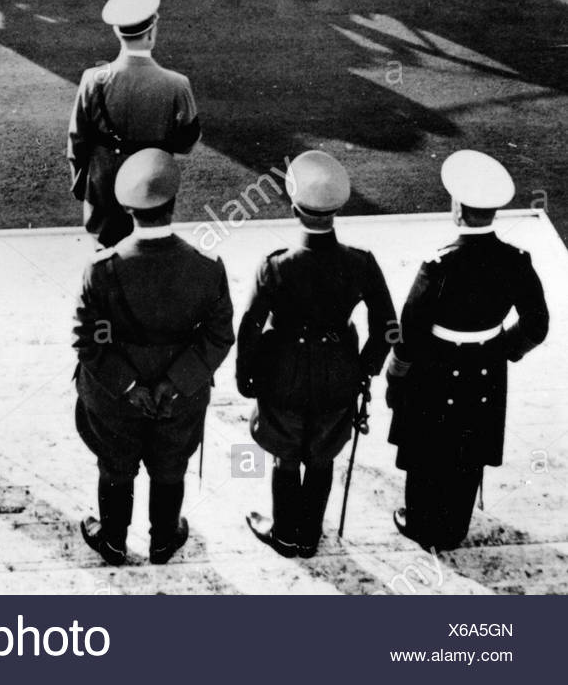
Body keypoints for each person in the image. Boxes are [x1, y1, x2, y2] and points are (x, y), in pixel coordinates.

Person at [73, 149, 234, 566]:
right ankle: (163, 540)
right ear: (173, 204)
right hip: (179, 395)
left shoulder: (101, 268)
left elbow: (86, 341)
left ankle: (112, 541)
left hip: (113, 395)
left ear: (127, 209)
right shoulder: (206, 266)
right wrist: (174, 383)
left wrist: (128, 385)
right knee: (170, 464)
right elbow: (218, 336)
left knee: (115, 466)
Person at [235, 151, 395, 559]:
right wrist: (365, 369)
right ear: (337, 211)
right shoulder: (361, 263)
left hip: (282, 372)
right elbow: (388, 326)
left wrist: (246, 375)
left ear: (294, 209)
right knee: (323, 456)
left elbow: (251, 325)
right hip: (338, 372)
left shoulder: (275, 266)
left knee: (285, 457)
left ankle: (285, 535)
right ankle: (308, 535)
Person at [387, 151, 549, 553]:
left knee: (427, 443)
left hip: (436, 364)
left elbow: (410, 329)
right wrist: (502, 347)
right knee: (469, 442)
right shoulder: (515, 260)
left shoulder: (438, 264)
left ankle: (423, 522)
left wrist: (397, 371)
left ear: (458, 209)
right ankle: (454, 526)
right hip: (485, 366)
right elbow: (537, 323)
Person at [67, 0, 201, 249]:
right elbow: (188, 142)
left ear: (118, 33)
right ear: (151, 33)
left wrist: (84, 186)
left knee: (106, 262)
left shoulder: (92, 80)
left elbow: (77, 142)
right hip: (153, 188)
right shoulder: (177, 84)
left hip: (104, 189)